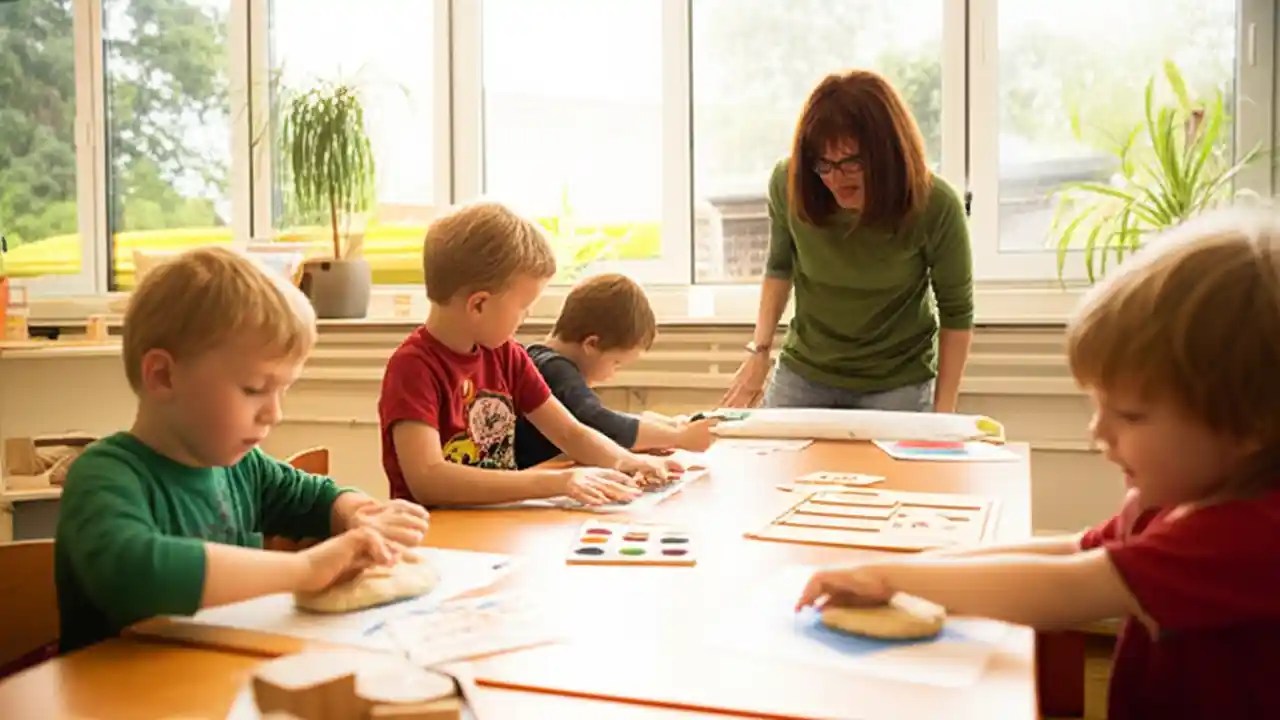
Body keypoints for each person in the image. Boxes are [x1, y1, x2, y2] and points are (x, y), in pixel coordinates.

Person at [795, 210, 1280, 719]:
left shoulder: (1249, 535)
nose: (1098, 432)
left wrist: (890, 576)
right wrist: (915, 567)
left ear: (1251, 425)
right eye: (1099, 407)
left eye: (1132, 416)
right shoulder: (1173, 503)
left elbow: (1072, 586)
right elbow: (1073, 549)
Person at [55, 247, 429, 654]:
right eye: (254, 389)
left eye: (283, 390)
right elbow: (135, 573)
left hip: (211, 679)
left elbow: (311, 497)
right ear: (163, 376)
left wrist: (359, 513)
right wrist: (305, 570)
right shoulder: (103, 476)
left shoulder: (242, 467)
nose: (274, 413)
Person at [379, 201, 681, 508]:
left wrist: (626, 461)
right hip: (436, 536)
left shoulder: (507, 355)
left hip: (497, 525)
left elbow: (569, 431)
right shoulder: (413, 367)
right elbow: (429, 480)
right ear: (479, 304)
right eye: (524, 305)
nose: (528, 314)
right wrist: (556, 483)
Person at [721, 69, 974, 413]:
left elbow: (957, 312)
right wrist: (759, 350)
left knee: (896, 468)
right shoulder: (791, 182)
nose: (836, 179)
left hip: (897, 379)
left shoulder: (935, 204)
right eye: (824, 164)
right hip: (807, 370)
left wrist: (943, 414)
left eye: (851, 163)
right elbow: (780, 267)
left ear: (888, 154)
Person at [514, 273, 719, 468]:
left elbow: (594, 420)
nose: (613, 374)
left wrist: (665, 429)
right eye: (616, 363)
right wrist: (678, 438)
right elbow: (599, 424)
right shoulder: (556, 370)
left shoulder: (538, 358)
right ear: (592, 344)